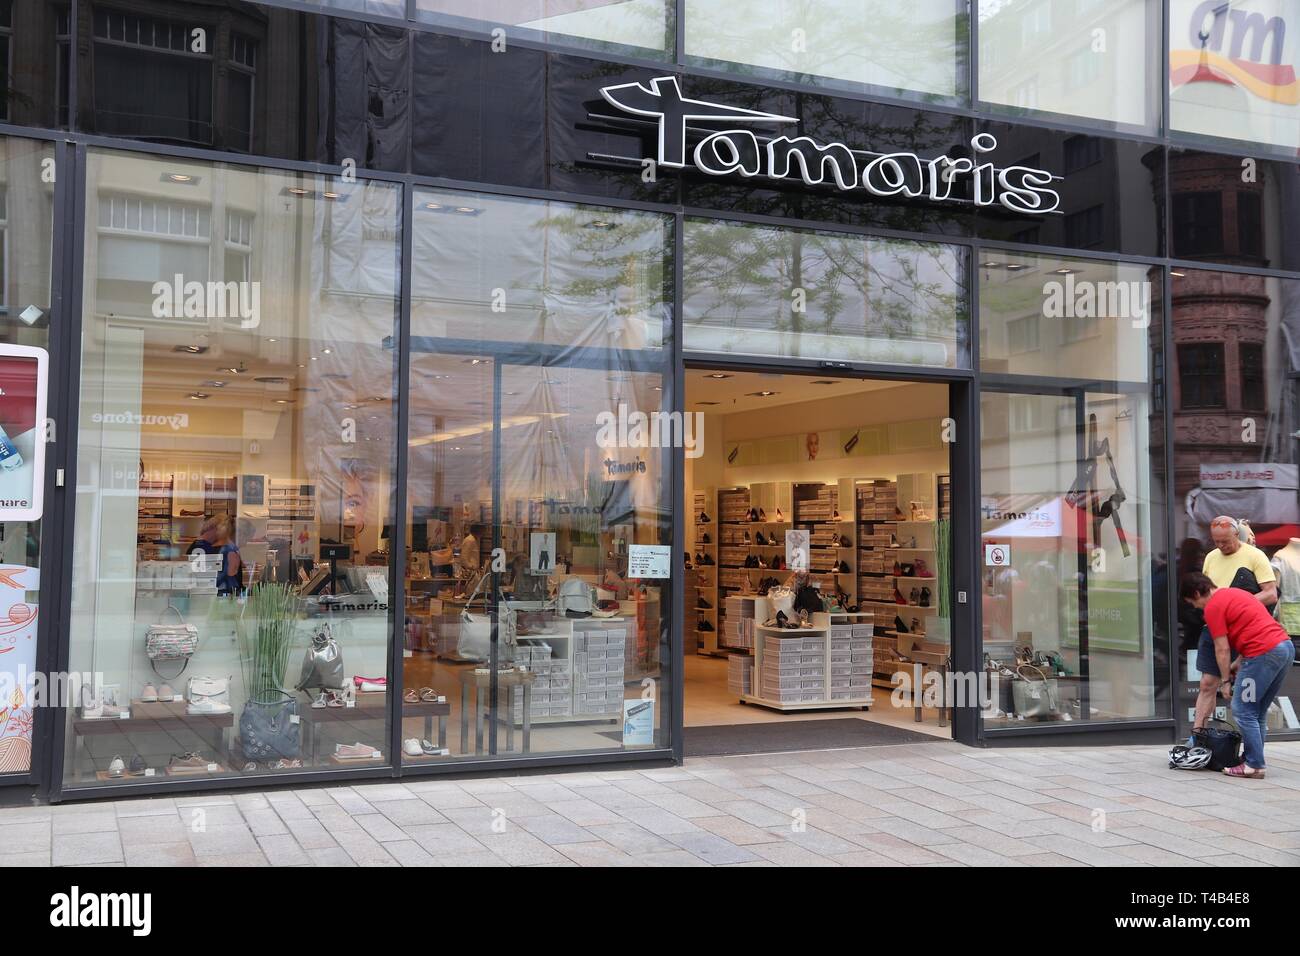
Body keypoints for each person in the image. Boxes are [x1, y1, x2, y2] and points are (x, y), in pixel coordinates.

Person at [1180, 572, 1296, 778]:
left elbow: (1221, 648)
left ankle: (1254, 765)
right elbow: (1254, 626)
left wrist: (1225, 681)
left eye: (1192, 602)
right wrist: (1238, 663)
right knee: (1257, 711)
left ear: (1198, 593)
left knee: (1242, 709)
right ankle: (1253, 759)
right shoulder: (1237, 594)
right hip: (1283, 647)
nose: (1194, 607)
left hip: (1263, 652)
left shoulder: (1213, 607)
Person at [1191, 516, 1277, 739]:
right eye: (1216, 542)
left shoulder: (1255, 555)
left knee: (1245, 690)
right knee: (1207, 683)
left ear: (1236, 535)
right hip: (1214, 626)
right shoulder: (1211, 557)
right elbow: (1206, 591)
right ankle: (1197, 736)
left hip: (1243, 628)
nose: (1221, 546)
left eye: (1226, 542)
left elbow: (1270, 593)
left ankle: (1249, 744)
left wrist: (1236, 607)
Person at [213, 514, 243, 596]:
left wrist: (212, 582)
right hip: (225, 590)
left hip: (227, 591)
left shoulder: (230, 549)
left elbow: (230, 572)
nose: (215, 532)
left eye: (217, 529)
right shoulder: (227, 548)